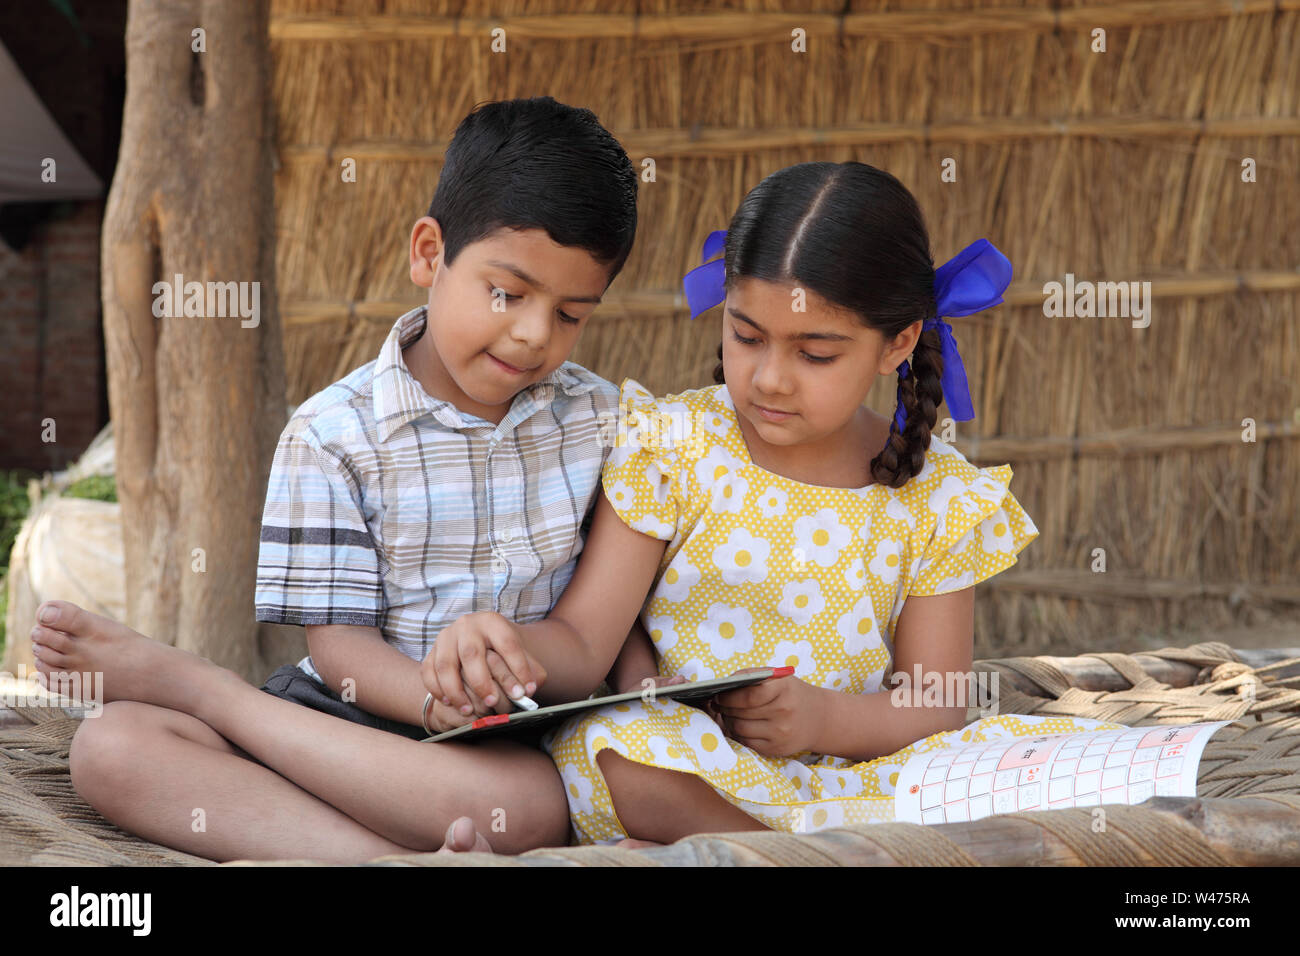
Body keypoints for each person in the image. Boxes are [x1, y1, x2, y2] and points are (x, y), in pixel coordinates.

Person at [421, 161, 1127, 847]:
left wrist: (823, 723)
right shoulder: (675, 446)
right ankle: (784, 853)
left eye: (815, 354)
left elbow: (935, 700)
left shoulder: (937, 496)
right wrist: (510, 647)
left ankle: (761, 850)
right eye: (746, 336)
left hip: (855, 774)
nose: (770, 380)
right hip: (697, 767)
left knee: (1065, 772)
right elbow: (582, 641)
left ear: (899, 343)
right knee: (615, 748)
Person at [29, 96, 642, 862]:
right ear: (429, 252)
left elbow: (593, 638)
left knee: (525, 812)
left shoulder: (606, 425)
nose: (532, 333)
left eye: (571, 313)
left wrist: (494, 674)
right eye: (508, 293)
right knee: (113, 747)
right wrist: (429, 694)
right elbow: (340, 648)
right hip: (344, 717)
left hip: (494, 750)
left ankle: (357, 848)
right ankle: (206, 690)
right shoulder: (333, 434)